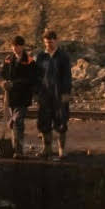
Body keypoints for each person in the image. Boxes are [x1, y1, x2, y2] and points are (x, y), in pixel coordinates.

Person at [35, 30, 72, 160]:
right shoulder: (40, 56)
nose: (48, 45)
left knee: (61, 121)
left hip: (59, 93)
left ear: (56, 41)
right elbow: (37, 76)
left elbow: (67, 76)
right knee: (44, 121)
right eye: (46, 43)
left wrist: (66, 93)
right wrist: (37, 92)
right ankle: (47, 148)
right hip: (44, 94)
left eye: (50, 42)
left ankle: (62, 149)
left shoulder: (63, 56)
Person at [0, 35, 38, 158]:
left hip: (23, 96)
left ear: (22, 46)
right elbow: (3, 74)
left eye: (17, 46)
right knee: (15, 124)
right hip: (10, 97)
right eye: (13, 46)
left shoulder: (30, 61)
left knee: (17, 121)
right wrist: (3, 83)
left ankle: (19, 150)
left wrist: (14, 84)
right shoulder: (8, 59)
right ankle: (15, 148)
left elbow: (31, 79)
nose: (15, 48)